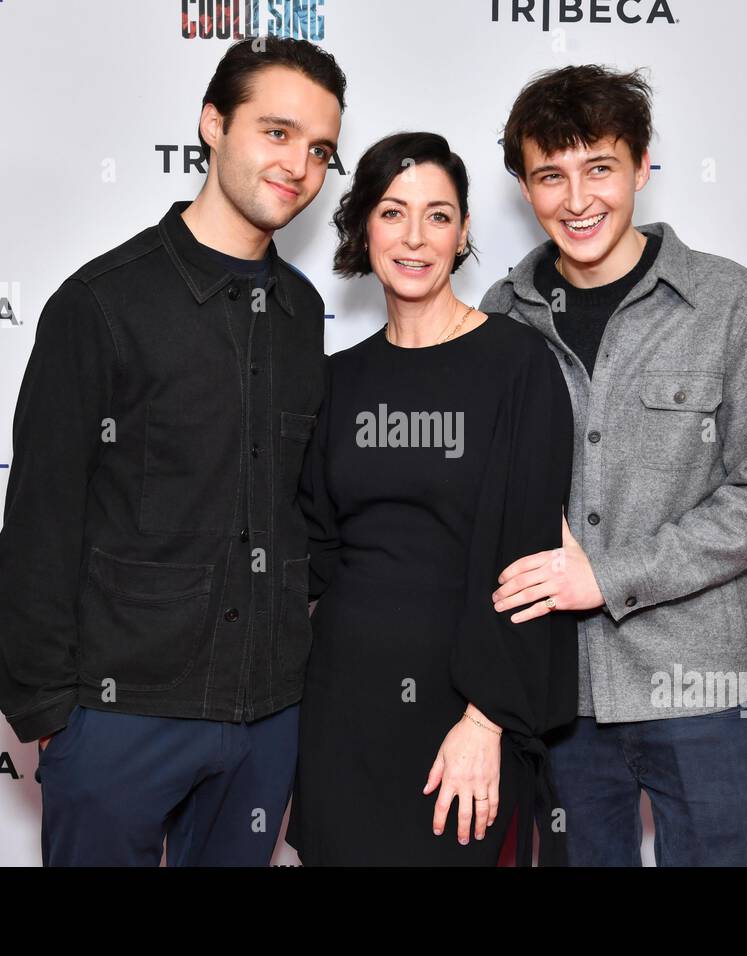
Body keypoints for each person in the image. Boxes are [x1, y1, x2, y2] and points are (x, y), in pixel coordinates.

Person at [0, 38, 346, 866]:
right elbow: (42, 519)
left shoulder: (301, 313)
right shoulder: (101, 304)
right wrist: (53, 715)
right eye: (277, 131)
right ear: (212, 123)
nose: (299, 164)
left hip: (265, 716)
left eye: (320, 149)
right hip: (120, 715)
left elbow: (298, 506)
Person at [480, 64, 747, 866]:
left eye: (599, 167)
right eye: (550, 175)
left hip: (701, 690)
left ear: (641, 165)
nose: (578, 197)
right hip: (558, 694)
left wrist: (611, 574)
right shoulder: (498, 317)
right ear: (525, 187)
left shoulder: (730, 303)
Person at [284, 132, 578, 866]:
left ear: (464, 231)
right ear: (361, 228)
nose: (415, 238)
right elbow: (314, 553)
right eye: (392, 213)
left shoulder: (518, 365)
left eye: (438, 215)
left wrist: (488, 720)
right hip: (343, 708)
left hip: (465, 713)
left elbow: (529, 559)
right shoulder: (336, 379)